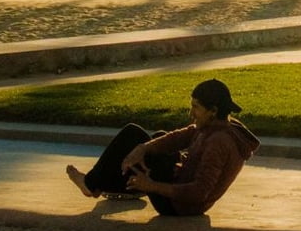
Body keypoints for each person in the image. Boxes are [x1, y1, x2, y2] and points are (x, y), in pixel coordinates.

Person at [65, 78, 260, 216]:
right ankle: (119, 187)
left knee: (131, 133)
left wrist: (151, 186)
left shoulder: (218, 141)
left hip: (177, 207)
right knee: (156, 140)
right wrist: (143, 148)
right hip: (180, 186)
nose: (191, 113)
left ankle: (91, 185)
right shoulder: (218, 126)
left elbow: (199, 192)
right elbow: (177, 138)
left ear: (213, 111)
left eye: (196, 107)